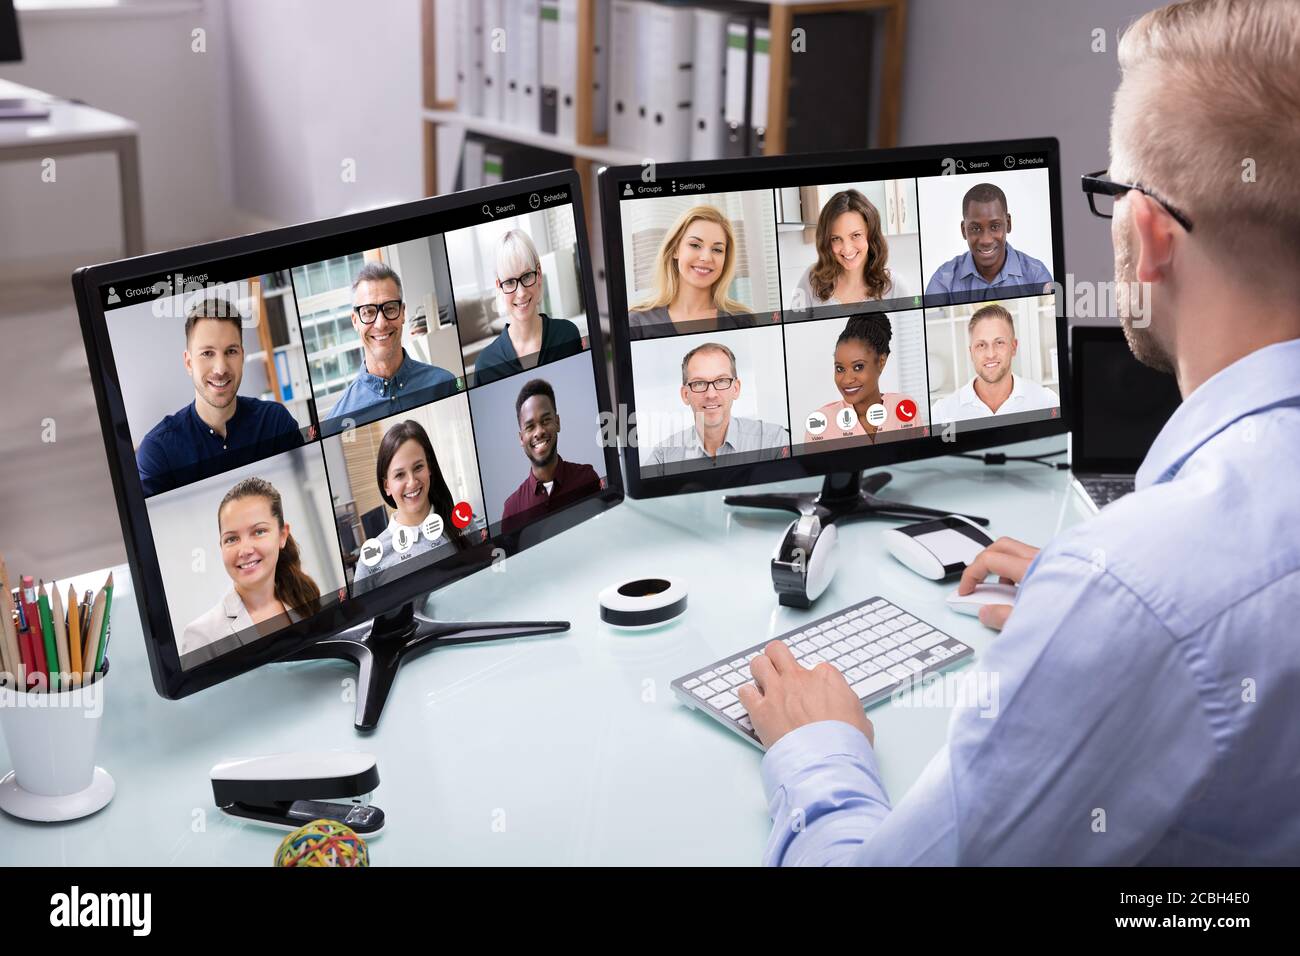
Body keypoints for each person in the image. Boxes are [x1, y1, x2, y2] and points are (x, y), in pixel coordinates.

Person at [739, 0, 1300, 865]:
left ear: (1147, 232)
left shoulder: (1135, 591)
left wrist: (820, 753)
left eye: (1111, 194)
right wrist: (1108, 619)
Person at [136, 296, 303, 496]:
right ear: (189, 363)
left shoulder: (275, 422)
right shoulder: (158, 451)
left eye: (230, 351)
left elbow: (305, 492)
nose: (221, 368)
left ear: (242, 356)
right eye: (207, 353)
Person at [180, 477, 321, 658]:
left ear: (282, 535)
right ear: (221, 546)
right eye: (231, 539)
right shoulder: (201, 638)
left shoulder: (305, 597)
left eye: (259, 532)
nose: (244, 551)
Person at [352, 419, 483, 592]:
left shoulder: (461, 523)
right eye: (400, 475)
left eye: (418, 467)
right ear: (387, 486)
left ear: (429, 468)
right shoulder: (370, 561)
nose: (412, 482)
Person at [324, 263, 458, 429]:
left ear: (402, 313)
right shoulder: (336, 421)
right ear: (355, 321)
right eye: (368, 312)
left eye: (390, 308)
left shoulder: (445, 385)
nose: (380, 324)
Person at [647, 342, 788, 466]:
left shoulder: (774, 442)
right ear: (685, 395)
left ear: (736, 389)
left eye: (721, 381)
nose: (711, 394)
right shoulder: (663, 457)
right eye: (699, 383)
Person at [628, 205, 756, 339]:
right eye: (695, 245)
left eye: (717, 250)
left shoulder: (743, 320)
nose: (706, 257)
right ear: (675, 249)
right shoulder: (637, 321)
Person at [473, 230, 584, 385]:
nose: (521, 293)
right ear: (499, 286)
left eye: (526, 276)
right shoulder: (485, 365)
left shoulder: (568, 335)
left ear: (538, 274)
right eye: (510, 282)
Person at [500, 379, 601, 534]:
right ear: (521, 438)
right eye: (530, 426)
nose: (539, 431)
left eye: (546, 420)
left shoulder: (587, 479)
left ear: (558, 422)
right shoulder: (512, 510)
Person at [929, 303, 1058, 424]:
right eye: (981, 345)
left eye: (999, 343)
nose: (990, 354)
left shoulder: (1046, 402)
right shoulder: (941, 414)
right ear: (971, 352)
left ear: (1013, 347)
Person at [802, 314, 920, 445]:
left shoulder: (905, 407)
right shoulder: (821, 423)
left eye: (858, 367)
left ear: (881, 362)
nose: (847, 380)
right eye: (840, 369)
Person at [924, 182, 1052, 296]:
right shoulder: (943, 281)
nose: (986, 240)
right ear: (963, 230)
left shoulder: (1036, 275)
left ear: (1008, 223)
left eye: (995, 226)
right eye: (975, 229)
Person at [792, 190, 912, 310]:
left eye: (856, 235)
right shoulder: (812, 280)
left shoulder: (895, 287)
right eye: (836, 238)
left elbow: (910, 329)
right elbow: (791, 328)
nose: (847, 249)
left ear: (871, 234)